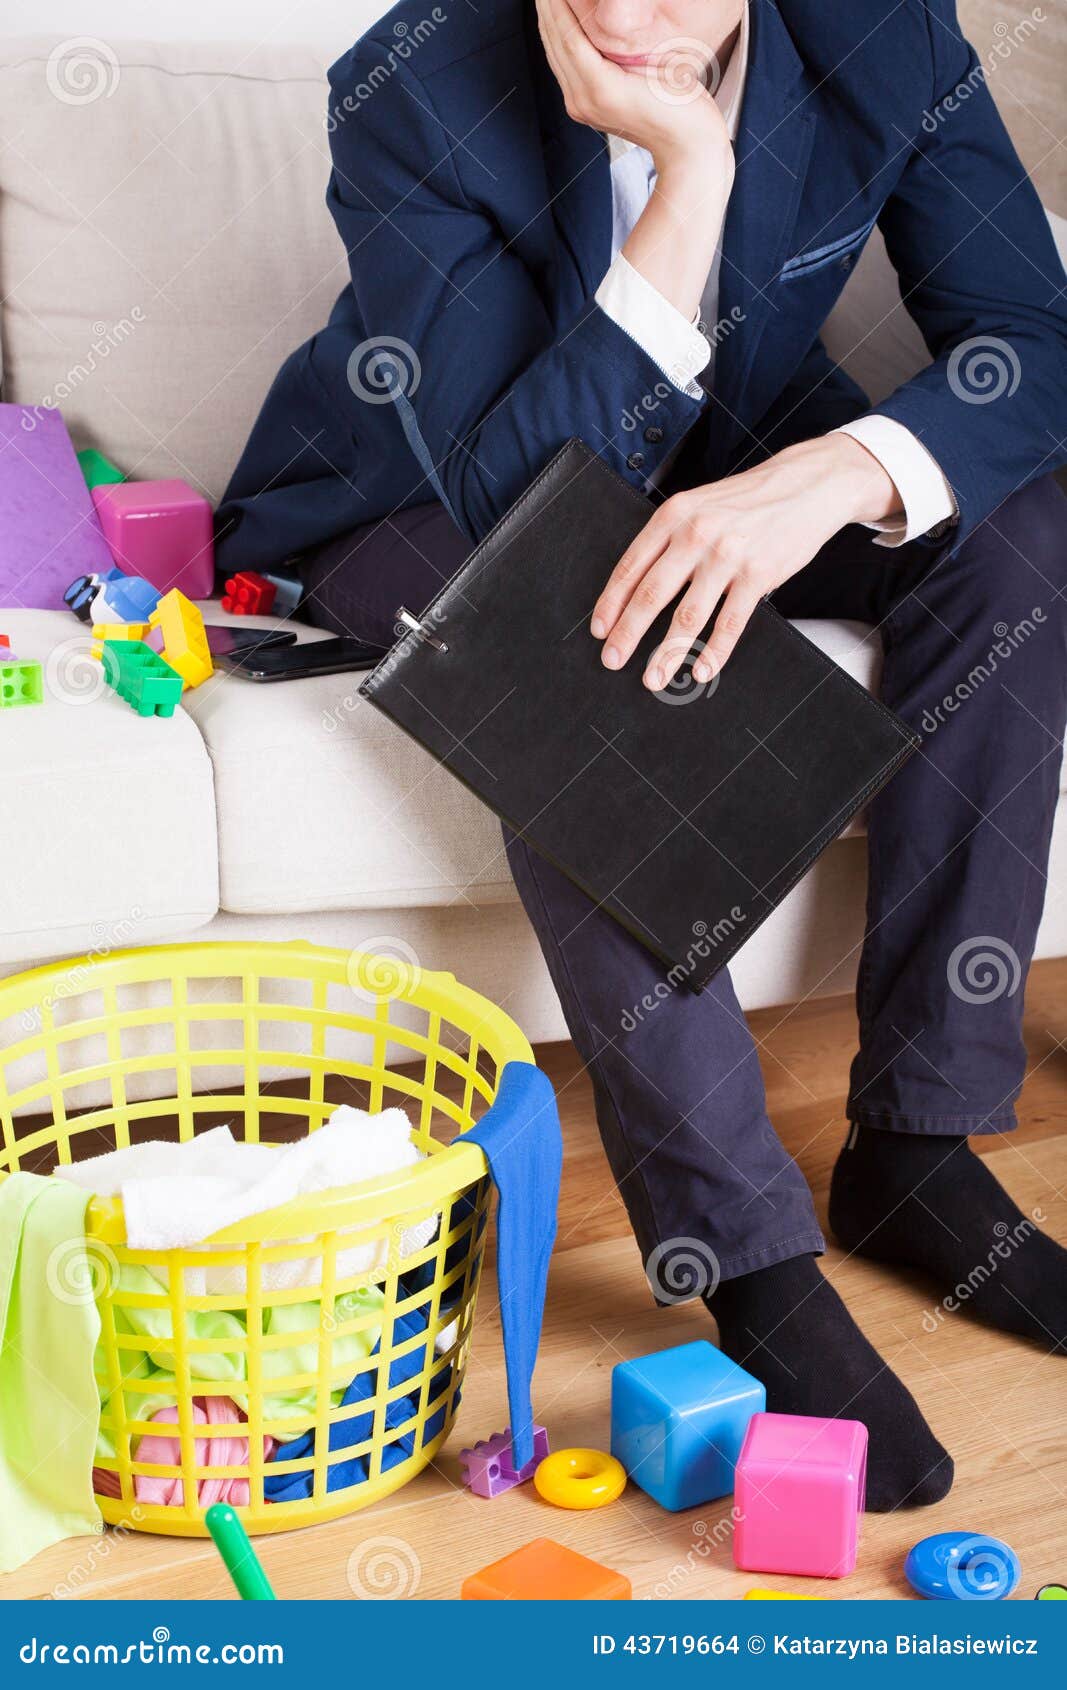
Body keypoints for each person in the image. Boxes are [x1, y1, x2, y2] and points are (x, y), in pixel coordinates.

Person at [218, 0, 1067, 1510]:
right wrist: (687, 172)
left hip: (717, 457)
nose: (622, 11)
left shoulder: (881, 31)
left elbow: (1039, 344)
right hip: (411, 501)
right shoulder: (415, 83)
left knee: (1026, 538)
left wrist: (838, 472)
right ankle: (743, 1246)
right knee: (574, 616)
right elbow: (507, 498)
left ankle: (919, 1142)